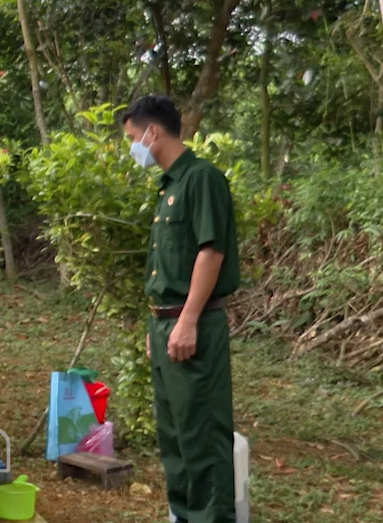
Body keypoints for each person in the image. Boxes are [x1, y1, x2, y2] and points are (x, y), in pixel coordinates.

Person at [120, 95, 240, 523]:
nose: (131, 147)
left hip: (194, 326)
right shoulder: (168, 186)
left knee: (202, 437)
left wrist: (186, 320)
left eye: (132, 138)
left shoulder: (201, 179)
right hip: (166, 326)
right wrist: (157, 325)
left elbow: (212, 252)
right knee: (175, 438)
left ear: (152, 132)